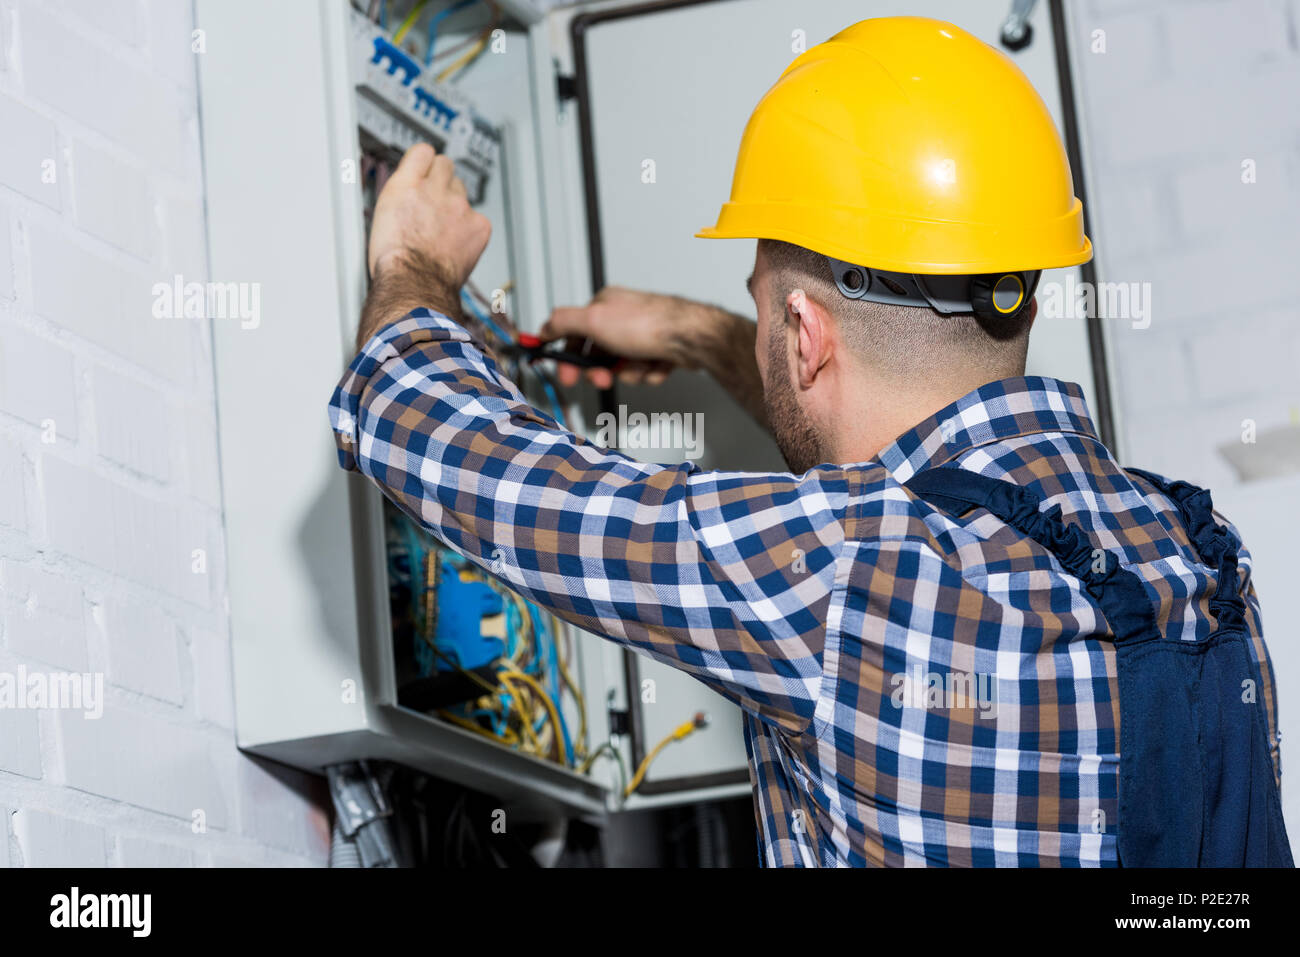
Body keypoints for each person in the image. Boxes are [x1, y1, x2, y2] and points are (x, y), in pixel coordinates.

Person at [330, 17, 1292, 866]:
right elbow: (901, 469)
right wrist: (698, 335)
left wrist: (413, 259)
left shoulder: (835, 575)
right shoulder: (1196, 556)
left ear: (804, 334)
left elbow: (425, 432)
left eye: (761, 312)